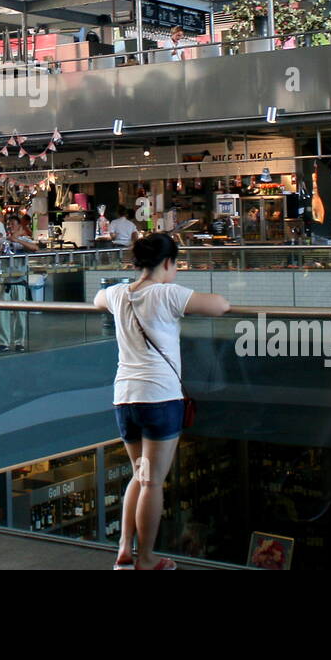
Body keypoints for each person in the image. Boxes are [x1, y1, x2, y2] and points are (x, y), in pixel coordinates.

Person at [93, 233, 232, 570]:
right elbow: (220, 305)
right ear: (168, 263)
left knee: (140, 475)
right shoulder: (168, 294)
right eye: (176, 264)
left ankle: (125, 549)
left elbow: (98, 299)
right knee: (153, 482)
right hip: (159, 398)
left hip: (125, 399)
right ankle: (146, 558)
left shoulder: (118, 293)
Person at [0, 214, 38, 351]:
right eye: (8, 224)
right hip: (5, 282)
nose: (10, 227)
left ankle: (19, 341)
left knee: (20, 314)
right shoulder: (3, 241)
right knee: (2, 314)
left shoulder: (24, 240)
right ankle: (3, 342)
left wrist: (17, 240)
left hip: (19, 281)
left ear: (19, 226)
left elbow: (34, 248)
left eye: (13, 224)